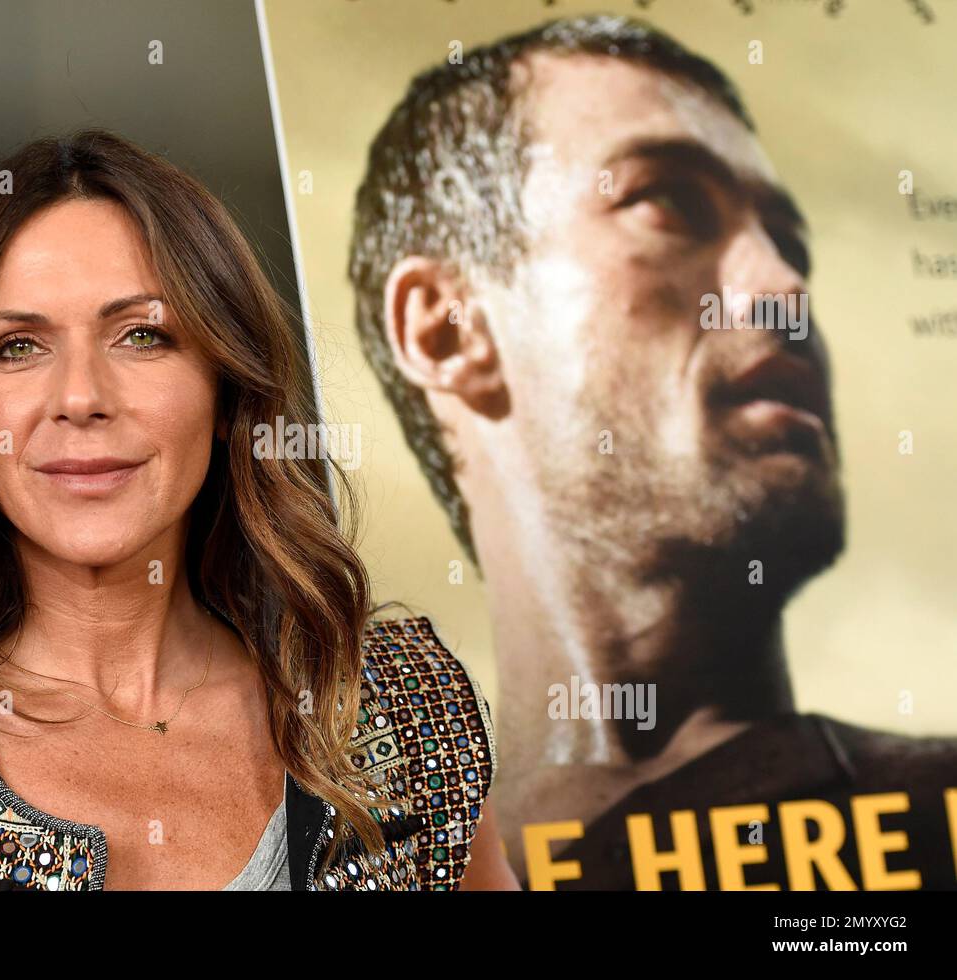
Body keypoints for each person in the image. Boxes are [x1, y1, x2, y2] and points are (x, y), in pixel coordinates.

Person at [0, 129, 515, 891]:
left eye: (142, 334)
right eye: (17, 347)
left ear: (226, 389)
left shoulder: (397, 713)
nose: (80, 398)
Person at [348, 14, 957, 889]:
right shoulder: (361, 849)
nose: (785, 289)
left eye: (793, 246)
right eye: (669, 200)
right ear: (447, 330)